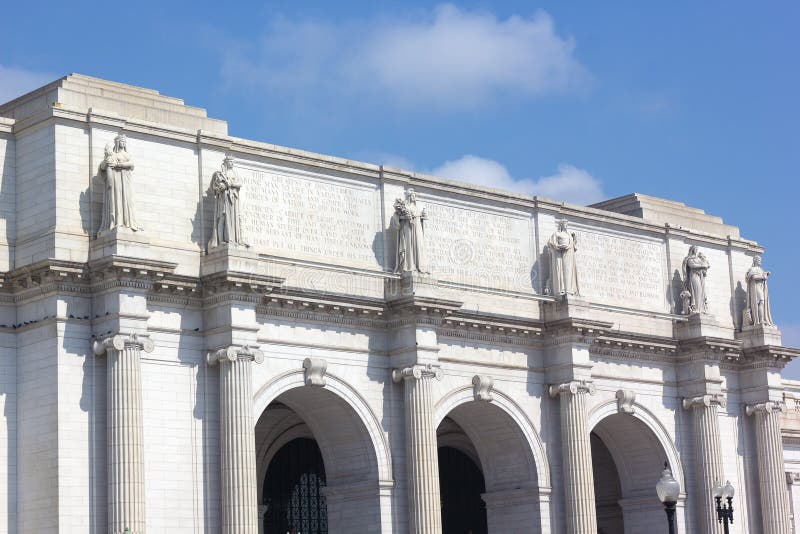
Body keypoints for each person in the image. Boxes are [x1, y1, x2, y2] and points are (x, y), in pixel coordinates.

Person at [99, 133, 140, 233]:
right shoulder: (113, 155)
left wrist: (118, 165)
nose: (123, 143)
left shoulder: (127, 155)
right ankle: (118, 221)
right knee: (117, 199)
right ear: (117, 143)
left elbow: (131, 164)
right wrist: (106, 162)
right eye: (121, 141)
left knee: (128, 200)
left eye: (124, 142)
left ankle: (128, 222)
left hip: (126, 180)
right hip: (116, 179)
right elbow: (102, 167)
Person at [208, 155, 246, 248]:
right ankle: (221, 241)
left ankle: (233, 239)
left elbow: (239, 184)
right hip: (223, 199)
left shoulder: (235, 173)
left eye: (232, 162)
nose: (232, 163)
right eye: (230, 161)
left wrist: (231, 184)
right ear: (226, 162)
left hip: (233, 200)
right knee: (222, 218)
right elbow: (214, 187)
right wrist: (222, 186)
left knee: (234, 218)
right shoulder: (220, 173)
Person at [391, 188, 428, 273]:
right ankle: (409, 265)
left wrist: (422, 218)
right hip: (408, 229)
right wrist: (405, 217)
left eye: (414, 196)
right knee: (409, 245)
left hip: (417, 229)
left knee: (418, 245)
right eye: (412, 196)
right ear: (409, 196)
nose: (414, 197)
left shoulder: (416, 207)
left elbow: (418, 218)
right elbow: (396, 219)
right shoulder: (405, 207)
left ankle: (419, 265)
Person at [547, 220, 579, 295]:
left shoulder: (569, 235)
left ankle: (569, 289)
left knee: (568, 270)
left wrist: (574, 238)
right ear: (561, 225)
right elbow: (551, 243)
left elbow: (573, 245)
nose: (565, 225)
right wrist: (557, 246)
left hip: (568, 253)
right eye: (564, 224)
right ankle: (561, 288)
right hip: (559, 253)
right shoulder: (556, 234)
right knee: (560, 270)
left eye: (566, 224)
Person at [745, 255, 773, 326]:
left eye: (760, 260)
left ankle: (762, 319)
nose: (760, 261)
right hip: (756, 287)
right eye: (759, 260)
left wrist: (765, 274)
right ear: (755, 260)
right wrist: (763, 277)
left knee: (762, 303)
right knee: (760, 302)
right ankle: (760, 320)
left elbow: (761, 276)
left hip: (761, 287)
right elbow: (754, 277)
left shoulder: (761, 269)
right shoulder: (752, 269)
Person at [682, 245, 710, 313]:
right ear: (692, 250)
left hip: (700, 277)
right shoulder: (689, 259)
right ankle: (696, 308)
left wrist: (704, 261)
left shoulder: (698, 259)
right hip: (694, 276)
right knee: (696, 291)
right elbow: (692, 265)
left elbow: (707, 265)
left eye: (696, 249)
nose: (696, 251)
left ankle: (701, 308)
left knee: (701, 292)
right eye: (695, 249)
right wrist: (702, 266)